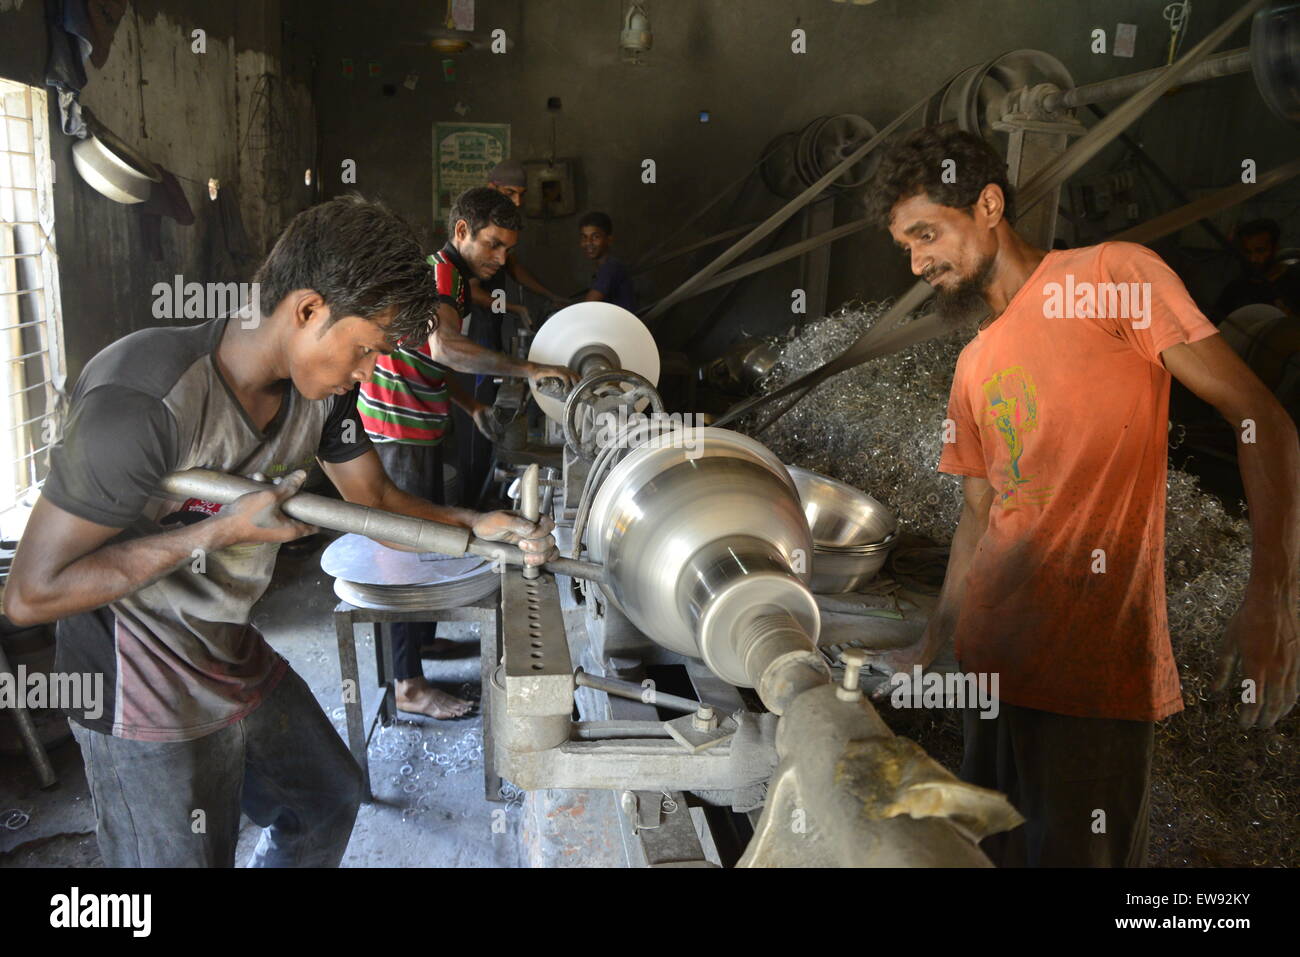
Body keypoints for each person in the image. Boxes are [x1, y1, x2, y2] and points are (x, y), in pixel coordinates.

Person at [2, 195, 558, 867]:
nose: (368, 374)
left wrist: (477, 524)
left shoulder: (323, 396)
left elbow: (376, 499)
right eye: (365, 351)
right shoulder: (144, 399)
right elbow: (30, 593)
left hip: (227, 647)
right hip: (136, 677)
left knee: (325, 800)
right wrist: (215, 533)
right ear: (307, 310)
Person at [865, 124, 1299, 867]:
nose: (918, 262)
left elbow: (1262, 418)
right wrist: (934, 644)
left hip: (1091, 676)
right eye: (905, 247)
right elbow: (978, 516)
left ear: (989, 205)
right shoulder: (974, 363)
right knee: (988, 856)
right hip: (989, 669)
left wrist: (1273, 595)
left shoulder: (1109, 277)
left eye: (927, 234)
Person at [358, 186, 577, 717]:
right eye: (493, 244)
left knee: (426, 536)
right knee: (407, 546)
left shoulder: (452, 279)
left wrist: (469, 404)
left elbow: (424, 356)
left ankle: (421, 639)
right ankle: (408, 684)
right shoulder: (443, 275)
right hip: (398, 424)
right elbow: (446, 348)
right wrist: (530, 369)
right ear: (462, 231)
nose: (500, 258)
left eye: (508, 249)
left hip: (419, 418)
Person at [451, 162, 569, 511]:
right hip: (472, 338)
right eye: (509, 193)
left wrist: (549, 295)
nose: (516, 201)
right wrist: (529, 365)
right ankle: (474, 502)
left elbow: (514, 268)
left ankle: (483, 495)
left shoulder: (496, 241)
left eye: (521, 195)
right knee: (477, 422)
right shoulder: (457, 260)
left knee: (487, 410)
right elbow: (468, 294)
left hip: (489, 329)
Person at [1213, 218, 1299, 321]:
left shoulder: (1295, 279)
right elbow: (1214, 324)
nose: (1253, 259)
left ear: (1275, 248)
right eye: (1247, 252)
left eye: (1260, 251)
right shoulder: (1235, 289)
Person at [579, 211, 637, 311]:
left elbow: (587, 308)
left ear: (609, 240)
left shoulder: (610, 268)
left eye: (595, 237)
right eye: (584, 237)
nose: (588, 242)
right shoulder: (606, 266)